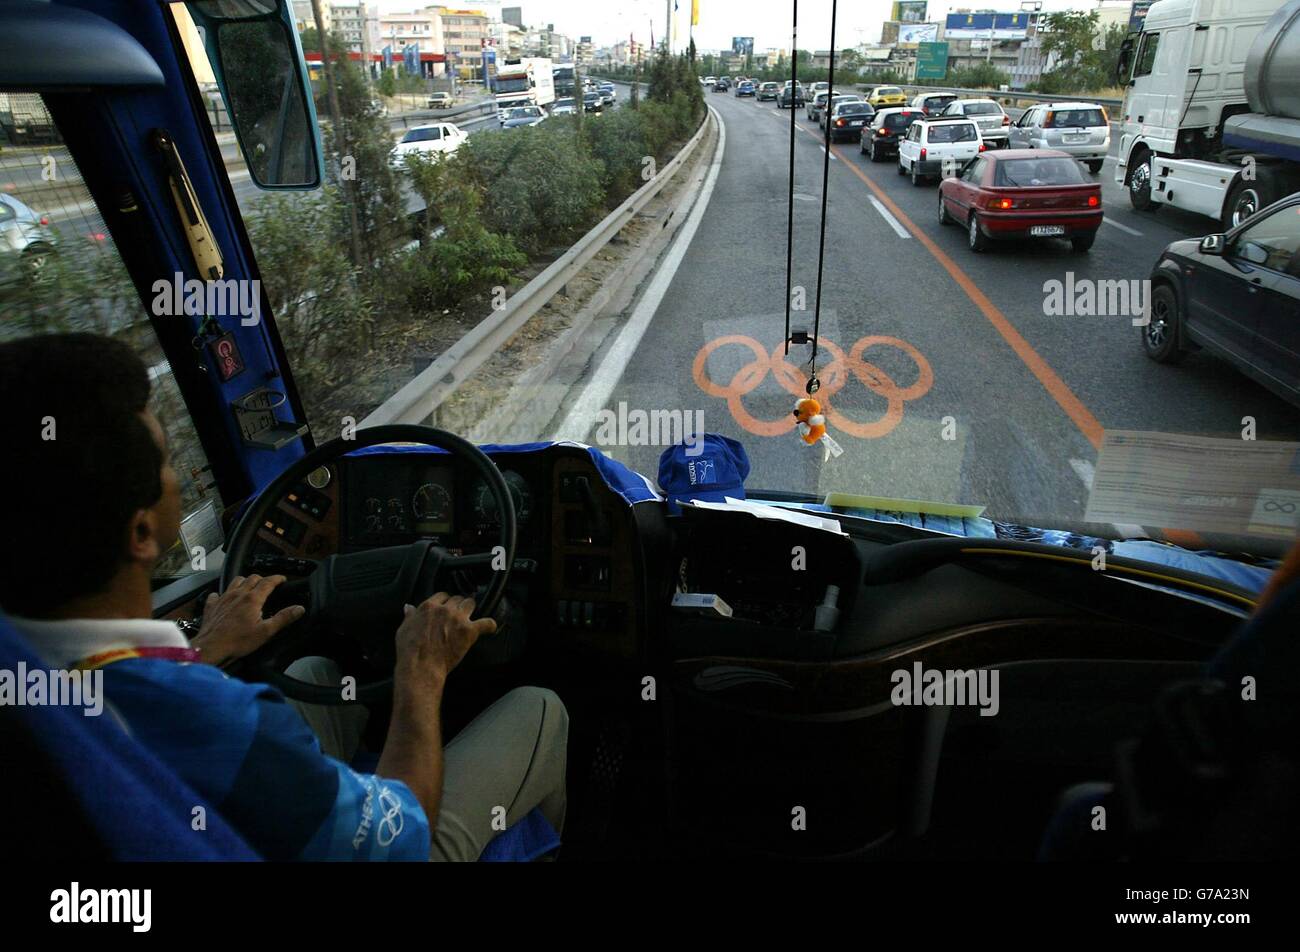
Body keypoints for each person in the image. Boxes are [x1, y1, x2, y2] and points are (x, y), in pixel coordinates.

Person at [0, 333, 567, 861]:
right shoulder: (216, 716)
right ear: (142, 534)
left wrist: (202, 649)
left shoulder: (29, 668)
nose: (179, 476)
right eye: (169, 462)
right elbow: (401, 832)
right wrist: (421, 671)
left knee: (318, 671)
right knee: (541, 706)